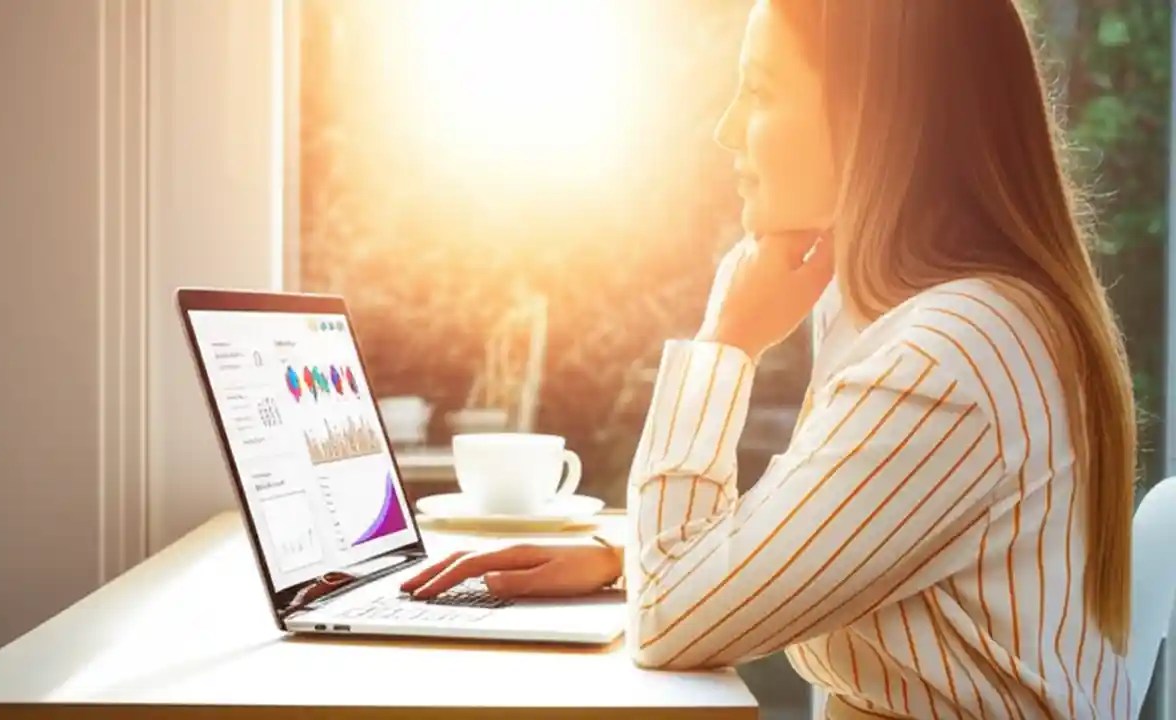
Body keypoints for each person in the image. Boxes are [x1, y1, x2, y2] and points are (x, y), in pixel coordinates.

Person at [400, 1, 1138, 717]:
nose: (727, 132)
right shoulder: (931, 321)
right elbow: (810, 543)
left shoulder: (950, 356)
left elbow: (668, 622)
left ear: (870, 118)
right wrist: (629, 555)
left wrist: (725, 343)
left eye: (758, 92)